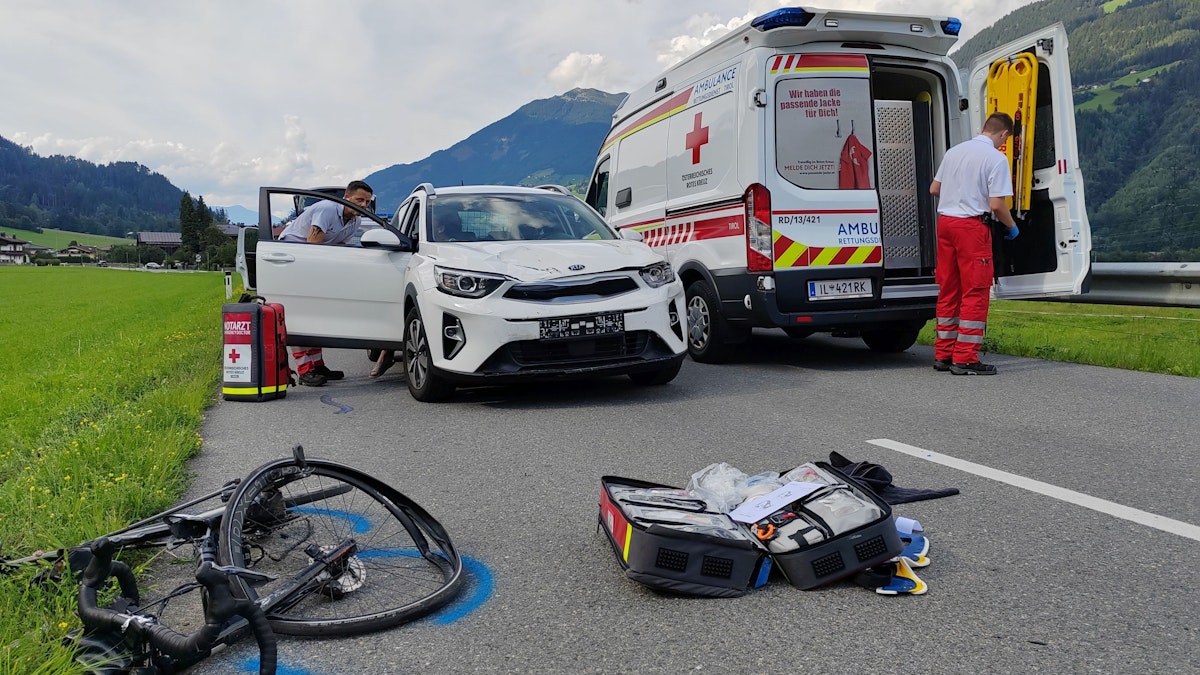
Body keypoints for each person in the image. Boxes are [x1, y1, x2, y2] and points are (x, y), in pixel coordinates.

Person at [929, 112, 1019, 376]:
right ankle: (965, 358)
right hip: (971, 227)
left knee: (949, 288)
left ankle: (943, 354)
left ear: (984, 128)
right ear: (1003, 135)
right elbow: (996, 204)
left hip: (946, 223)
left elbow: (935, 189)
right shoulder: (996, 158)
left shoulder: (954, 152)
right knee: (975, 290)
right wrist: (1012, 227)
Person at [277, 180, 375, 386]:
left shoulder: (354, 222)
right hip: (296, 259)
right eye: (359, 200)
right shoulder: (327, 209)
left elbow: (340, 248)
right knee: (301, 314)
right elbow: (313, 245)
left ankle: (317, 365)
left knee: (315, 314)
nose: (364, 205)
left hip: (314, 264)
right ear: (346, 197)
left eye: (367, 202)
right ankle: (304, 370)